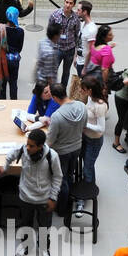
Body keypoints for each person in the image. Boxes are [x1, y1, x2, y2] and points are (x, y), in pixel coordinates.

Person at [4, 128, 61, 256]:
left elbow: (58, 177)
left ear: (40, 146)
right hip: (25, 197)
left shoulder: (52, 156)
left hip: (44, 198)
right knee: (25, 224)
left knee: (44, 227)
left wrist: (53, 197)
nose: (27, 147)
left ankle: (44, 249)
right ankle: (26, 247)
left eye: (31, 146)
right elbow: (11, 154)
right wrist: (5, 166)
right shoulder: (23, 150)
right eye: (27, 144)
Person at [44, 84, 86, 213]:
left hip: (61, 152)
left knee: (61, 180)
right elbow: (84, 126)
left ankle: (62, 209)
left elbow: (50, 142)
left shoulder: (57, 116)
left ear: (55, 97)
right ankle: (68, 201)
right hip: (77, 147)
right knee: (69, 175)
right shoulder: (82, 106)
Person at [80, 74, 108, 190]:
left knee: (88, 166)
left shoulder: (100, 106)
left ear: (90, 90)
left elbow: (101, 129)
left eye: (83, 89)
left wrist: (84, 124)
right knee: (88, 165)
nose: (81, 91)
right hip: (85, 137)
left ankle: (87, 190)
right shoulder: (91, 99)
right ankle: (89, 184)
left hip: (94, 140)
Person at [48, 0, 80, 85]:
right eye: (67, 2)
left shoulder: (76, 18)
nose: (68, 5)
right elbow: (50, 31)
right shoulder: (55, 15)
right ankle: (52, 90)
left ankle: (62, 92)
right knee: (53, 72)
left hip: (69, 50)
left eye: (70, 3)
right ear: (64, 1)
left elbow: (77, 35)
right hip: (57, 48)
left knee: (66, 73)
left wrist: (76, 54)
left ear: (73, 5)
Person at [0, 7, 25, 100]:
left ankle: (2, 101)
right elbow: (20, 48)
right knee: (13, 82)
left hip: (3, 60)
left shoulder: (1, 29)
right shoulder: (20, 31)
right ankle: (13, 102)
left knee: (3, 83)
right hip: (14, 60)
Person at [34, 20, 61, 89]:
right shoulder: (50, 52)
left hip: (39, 76)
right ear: (55, 36)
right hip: (45, 84)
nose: (60, 36)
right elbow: (49, 75)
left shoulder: (42, 41)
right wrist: (53, 88)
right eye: (60, 34)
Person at [73, 0, 96, 78]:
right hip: (79, 62)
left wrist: (85, 68)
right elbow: (79, 41)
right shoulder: (82, 24)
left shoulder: (91, 29)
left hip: (85, 64)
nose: (76, 12)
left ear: (85, 12)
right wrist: (75, 57)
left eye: (79, 10)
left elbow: (91, 50)